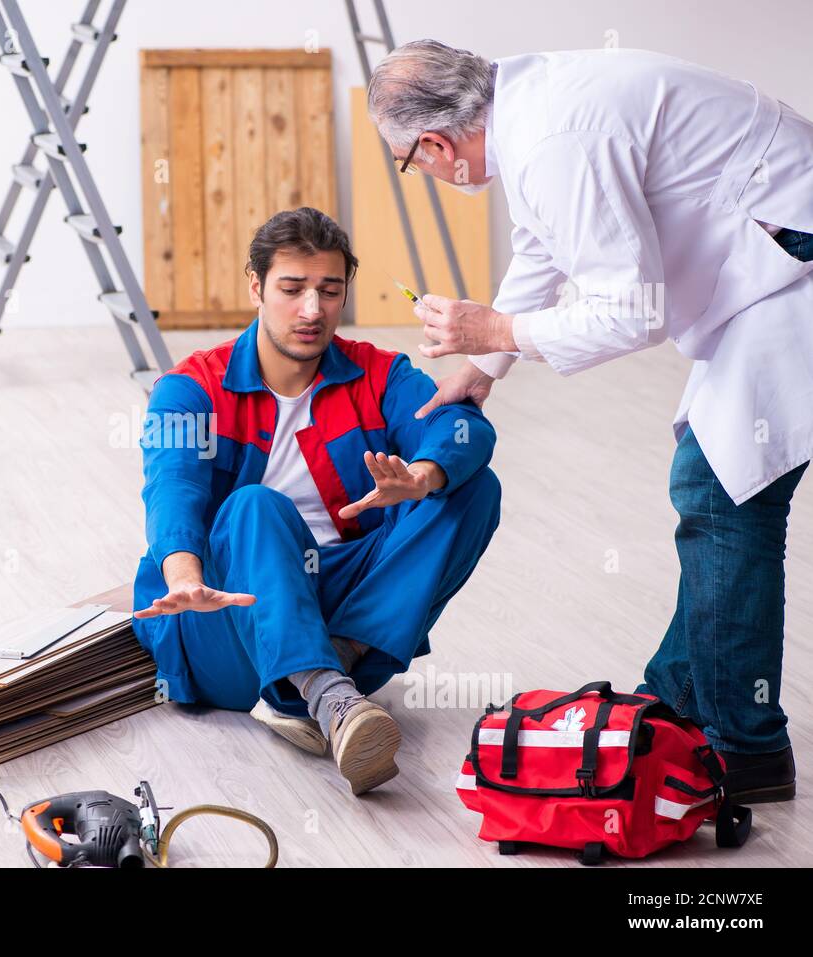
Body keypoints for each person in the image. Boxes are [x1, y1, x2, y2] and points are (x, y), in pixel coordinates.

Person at [367, 40, 813, 802]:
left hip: (790, 262)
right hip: (768, 257)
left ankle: (745, 744)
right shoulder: (532, 106)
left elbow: (629, 313)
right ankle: (679, 698)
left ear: (435, 144)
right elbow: (546, 245)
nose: (427, 176)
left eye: (412, 164)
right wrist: (482, 367)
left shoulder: (551, 138)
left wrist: (496, 332)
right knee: (711, 484)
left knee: (723, 494)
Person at [130, 207, 501, 795]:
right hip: (226, 612)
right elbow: (172, 487)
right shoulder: (190, 387)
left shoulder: (376, 373)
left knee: (470, 486)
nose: (312, 310)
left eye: (329, 291)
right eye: (292, 289)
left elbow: (462, 429)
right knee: (256, 505)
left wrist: (425, 474)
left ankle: (327, 669)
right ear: (255, 286)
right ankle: (327, 695)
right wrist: (184, 576)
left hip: (336, 601)